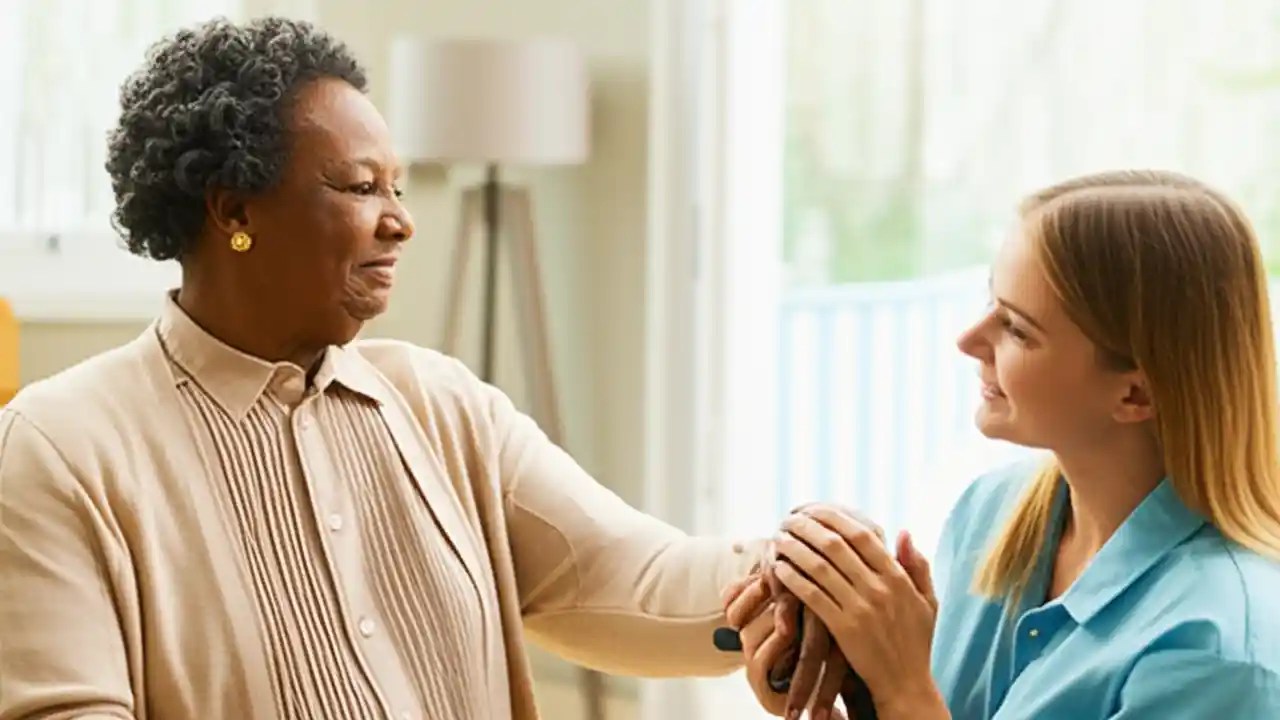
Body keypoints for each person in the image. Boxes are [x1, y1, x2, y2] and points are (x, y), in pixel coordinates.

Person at [0, 17, 772, 720]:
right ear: (234, 213)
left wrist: (806, 572)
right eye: (361, 187)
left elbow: (638, 584)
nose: (401, 221)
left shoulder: (443, 406)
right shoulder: (61, 448)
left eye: (396, 188)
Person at [730, 170, 1280, 718]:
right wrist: (857, 682)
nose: (969, 340)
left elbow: (920, 705)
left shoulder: (1220, 654)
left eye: (1017, 329)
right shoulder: (990, 514)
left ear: (1134, 393)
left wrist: (903, 685)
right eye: (992, 302)